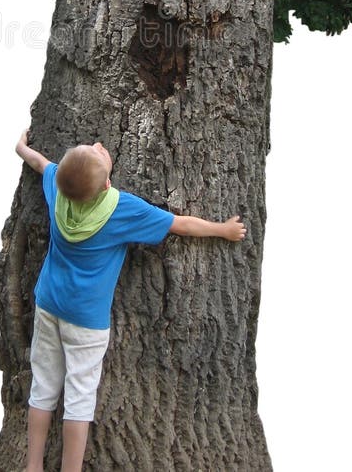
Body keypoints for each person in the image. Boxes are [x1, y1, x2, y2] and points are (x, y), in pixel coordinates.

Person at [14, 129, 247, 472]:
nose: (97, 145)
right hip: (85, 322)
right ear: (106, 184)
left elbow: (39, 162)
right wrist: (222, 230)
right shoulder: (121, 208)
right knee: (79, 397)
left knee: (43, 387)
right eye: (95, 152)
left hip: (49, 304)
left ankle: (33, 466)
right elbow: (179, 225)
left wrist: (20, 146)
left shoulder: (58, 191)